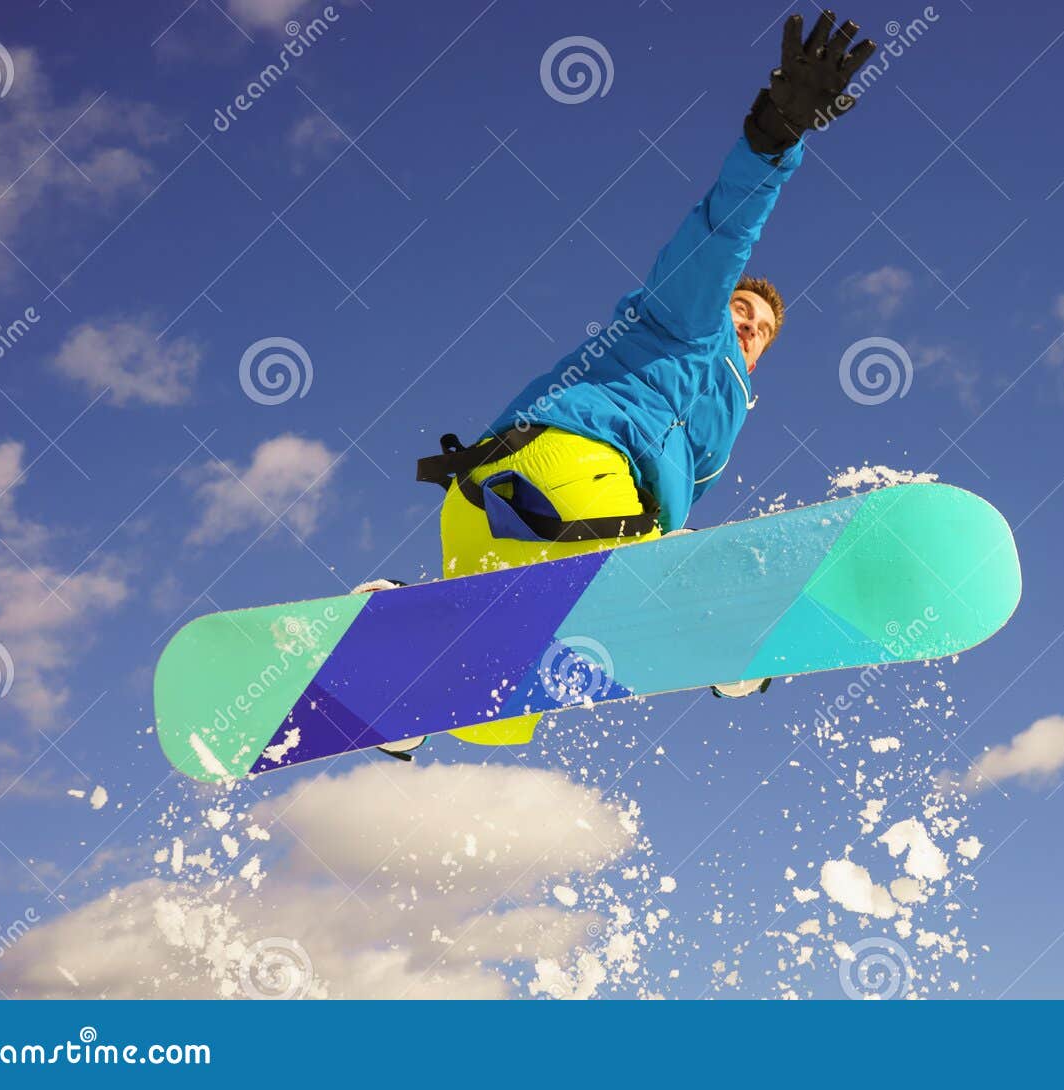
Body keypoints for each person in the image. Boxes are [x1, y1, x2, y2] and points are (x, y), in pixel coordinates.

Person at [363, 11, 876, 760]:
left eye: (762, 328)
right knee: (671, 561)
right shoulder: (685, 321)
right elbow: (721, 231)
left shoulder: (716, 428)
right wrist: (775, 136)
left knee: (496, 716)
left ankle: (396, 646)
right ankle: (727, 632)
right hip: (564, 482)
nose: (747, 326)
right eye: (742, 309)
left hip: (479, 518)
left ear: (764, 358)